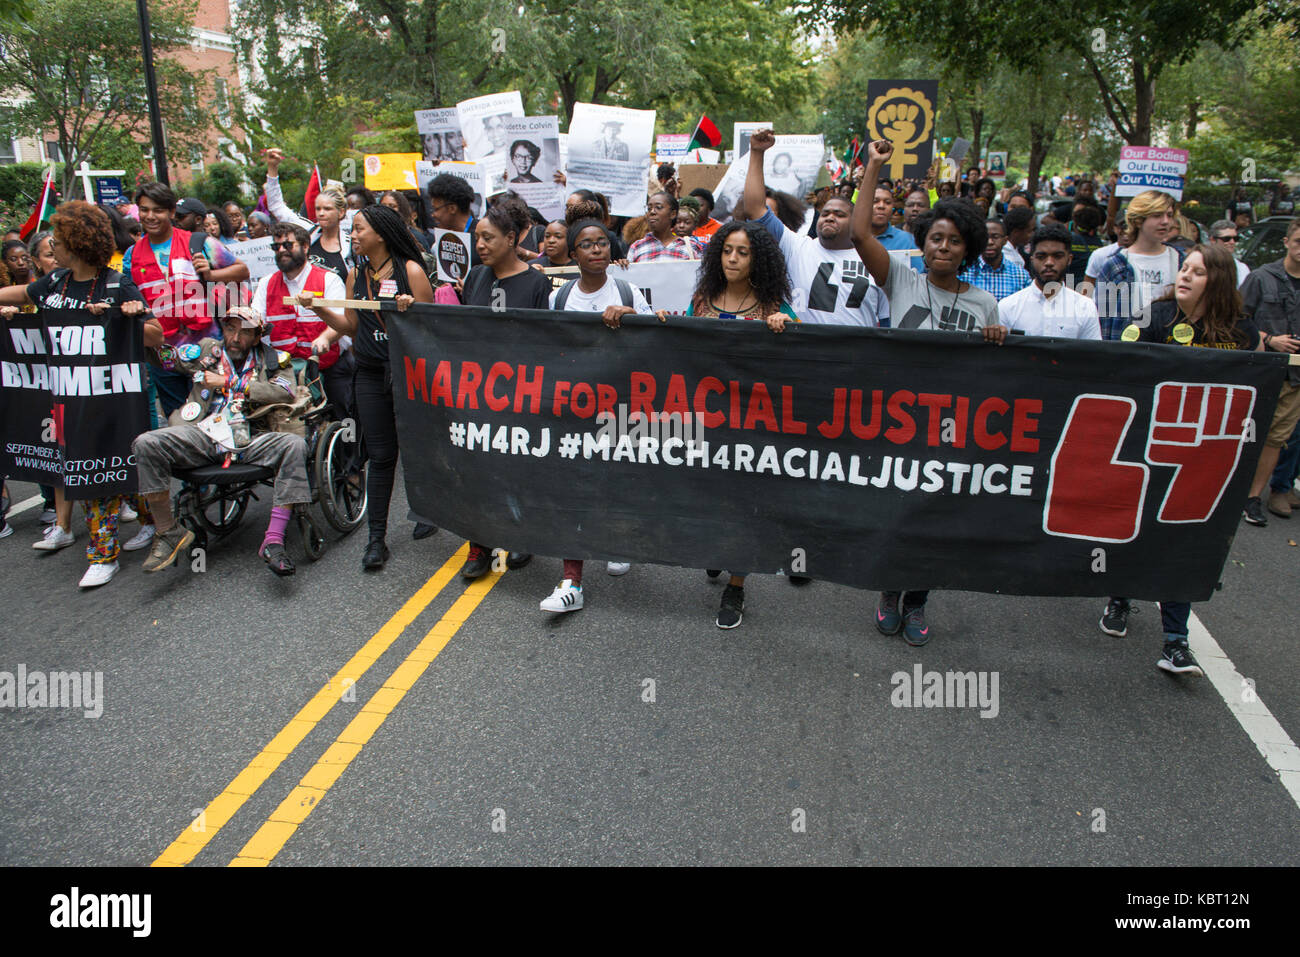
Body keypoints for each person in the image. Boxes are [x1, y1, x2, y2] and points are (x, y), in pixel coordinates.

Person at [852, 139, 1006, 646]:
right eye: (935, 238)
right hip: (899, 424)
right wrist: (874, 166)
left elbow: (993, 376)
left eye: (954, 240)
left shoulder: (985, 304)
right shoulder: (900, 278)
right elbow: (858, 232)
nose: (943, 247)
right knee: (897, 511)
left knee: (933, 518)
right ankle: (889, 592)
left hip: (952, 429)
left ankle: (918, 601)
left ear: (969, 248)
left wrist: (995, 341)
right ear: (922, 243)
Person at [1105, 243, 1262, 676]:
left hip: (1204, 457)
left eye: (1198, 271)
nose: (1185, 276)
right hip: (1148, 446)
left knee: (1185, 540)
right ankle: (1119, 598)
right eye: (1184, 269)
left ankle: (1176, 641)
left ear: (1220, 281)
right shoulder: (1152, 318)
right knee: (1134, 527)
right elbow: (1125, 372)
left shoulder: (1244, 332)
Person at [0, 201, 164, 587]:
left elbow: (155, 335)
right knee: (99, 470)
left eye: (57, 240)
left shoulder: (116, 283)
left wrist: (120, 318)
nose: (51, 246)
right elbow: (21, 293)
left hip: (112, 398)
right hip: (70, 398)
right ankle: (151, 523)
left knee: (103, 470)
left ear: (76, 244)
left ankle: (103, 554)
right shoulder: (53, 284)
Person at [679, 222, 797, 628]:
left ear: (757, 258)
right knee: (711, 500)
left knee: (744, 507)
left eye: (742, 252)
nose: (732, 258)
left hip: (752, 428)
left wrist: (788, 328)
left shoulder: (772, 306)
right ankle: (718, 549)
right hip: (708, 426)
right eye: (727, 250)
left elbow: (805, 354)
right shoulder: (702, 298)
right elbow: (681, 346)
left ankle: (737, 585)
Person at [132, 309, 309, 577]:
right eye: (229, 329)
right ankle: (168, 531)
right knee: (146, 443)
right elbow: (166, 360)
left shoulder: (273, 359)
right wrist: (140, 327)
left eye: (244, 332)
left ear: (258, 335)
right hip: (203, 433)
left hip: (250, 437)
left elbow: (285, 391)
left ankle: (273, 540)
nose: (235, 338)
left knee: (293, 445)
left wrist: (230, 382)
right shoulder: (206, 351)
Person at [538, 219, 653, 614]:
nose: (596, 250)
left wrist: (631, 319)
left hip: (619, 405)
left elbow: (656, 337)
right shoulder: (561, 298)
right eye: (586, 245)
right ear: (573, 255)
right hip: (574, 408)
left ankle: (617, 541)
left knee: (617, 476)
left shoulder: (627, 290)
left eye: (602, 243)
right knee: (573, 486)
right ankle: (572, 581)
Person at [321, 205, 435, 569]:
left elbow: (431, 330)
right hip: (369, 374)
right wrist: (320, 308)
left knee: (418, 449)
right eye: (352, 231)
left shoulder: (412, 271)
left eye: (358, 229)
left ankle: (428, 513)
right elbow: (352, 327)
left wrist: (410, 310)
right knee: (382, 456)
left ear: (381, 234)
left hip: (408, 374)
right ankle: (376, 539)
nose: (353, 236)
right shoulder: (355, 275)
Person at [453, 199, 546, 579]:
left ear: (511, 238)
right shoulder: (475, 277)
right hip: (476, 391)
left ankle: (522, 534)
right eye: (478, 238)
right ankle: (480, 547)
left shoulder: (536, 282)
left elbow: (544, 340)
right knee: (479, 468)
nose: (481, 245)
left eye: (489, 238)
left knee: (518, 466)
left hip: (519, 392)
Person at [123, 182, 249, 417]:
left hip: (206, 350)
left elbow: (242, 271)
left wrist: (211, 275)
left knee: (215, 416)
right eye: (144, 210)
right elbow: (129, 295)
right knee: (177, 421)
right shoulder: (132, 255)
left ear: (171, 213)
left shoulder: (199, 242)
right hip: (164, 357)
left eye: (158, 210)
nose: (150, 216)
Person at [743, 129, 888, 329]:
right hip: (803, 354)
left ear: (856, 221)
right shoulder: (796, 247)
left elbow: (888, 325)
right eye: (826, 213)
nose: (829, 217)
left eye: (839, 214)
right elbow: (754, 208)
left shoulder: (874, 261)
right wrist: (756, 152)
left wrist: (874, 165)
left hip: (855, 356)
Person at [248, 222, 351, 416]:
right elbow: (254, 321)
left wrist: (326, 338)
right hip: (283, 373)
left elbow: (341, 321)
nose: (281, 251)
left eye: (287, 245)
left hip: (326, 368)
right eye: (275, 246)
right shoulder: (266, 284)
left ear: (305, 247)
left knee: (344, 415)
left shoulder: (329, 280)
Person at [1239, 217, 1300, 526]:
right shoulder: (1261, 278)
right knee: (1243, 433)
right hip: (1259, 372)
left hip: (1295, 380)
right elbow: (1235, 320)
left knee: (1275, 439)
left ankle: (1253, 497)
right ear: (1287, 242)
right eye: (1299, 241)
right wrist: (1269, 339)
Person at [1092, 190, 1183, 340]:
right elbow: (1104, 324)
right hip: (1130, 352)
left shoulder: (1182, 261)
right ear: (1139, 220)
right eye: (1157, 215)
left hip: (1172, 350)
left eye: (1169, 215)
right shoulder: (1115, 265)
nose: (1166, 221)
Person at [998, 225, 1101, 339]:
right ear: (1032, 260)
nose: (1049, 262)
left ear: (1069, 260)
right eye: (1041, 256)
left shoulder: (1085, 307)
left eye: (1057, 256)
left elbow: (1092, 354)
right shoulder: (1007, 306)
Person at [959, 218, 1032, 300]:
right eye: (985, 237)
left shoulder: (1020, 276)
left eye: (995, 237)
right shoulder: (965, 272)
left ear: (1005, 241)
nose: (990, 242)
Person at [629, 192, 702, 262]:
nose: (652, 212)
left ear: (673, 214)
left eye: (658, 207)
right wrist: (621, 267)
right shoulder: (637, 247)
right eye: (649, 208)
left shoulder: (691, 246)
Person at [427, 173, 479, 268]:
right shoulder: (443, 241)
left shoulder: (481, 239)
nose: (433, 215)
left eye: (436, 209)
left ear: (452, 209)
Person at [1208, 219, 1250, 287]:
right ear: (1212, 240)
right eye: (1226, 239)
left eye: (1235, 238)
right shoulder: (1201, 263)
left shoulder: (1241, 268)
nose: (1232, 242)